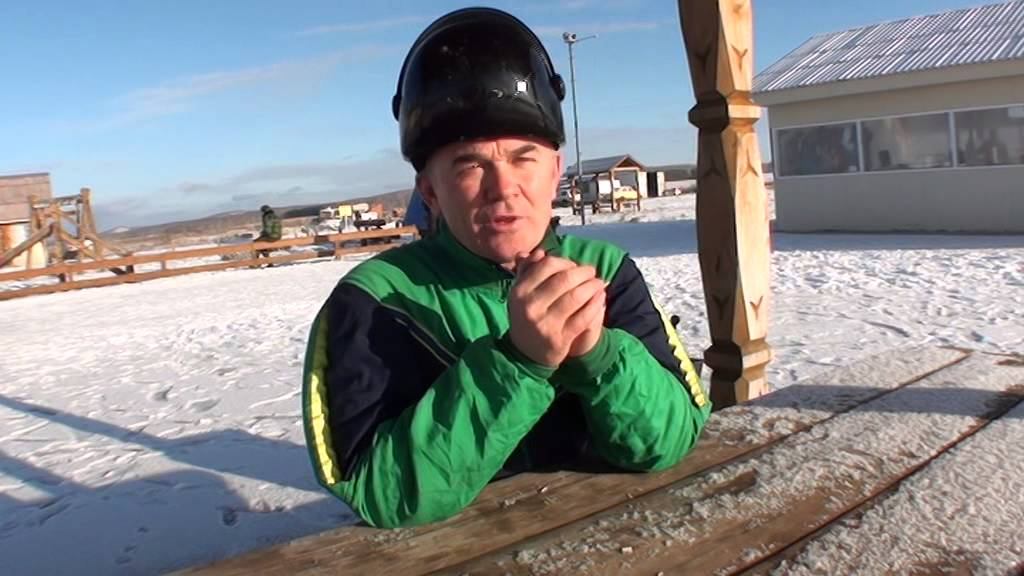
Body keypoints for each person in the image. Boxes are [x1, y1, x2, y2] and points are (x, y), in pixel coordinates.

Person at [302, 7, 710, 529]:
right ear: (430, 191)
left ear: (555, 171)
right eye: (470, 164)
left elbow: (670, 439)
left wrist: (599, 354)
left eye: (523, 158)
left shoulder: (604, 271)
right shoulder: (377, 300)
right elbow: (382, 493)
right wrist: (518, 362)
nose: (503, 189)